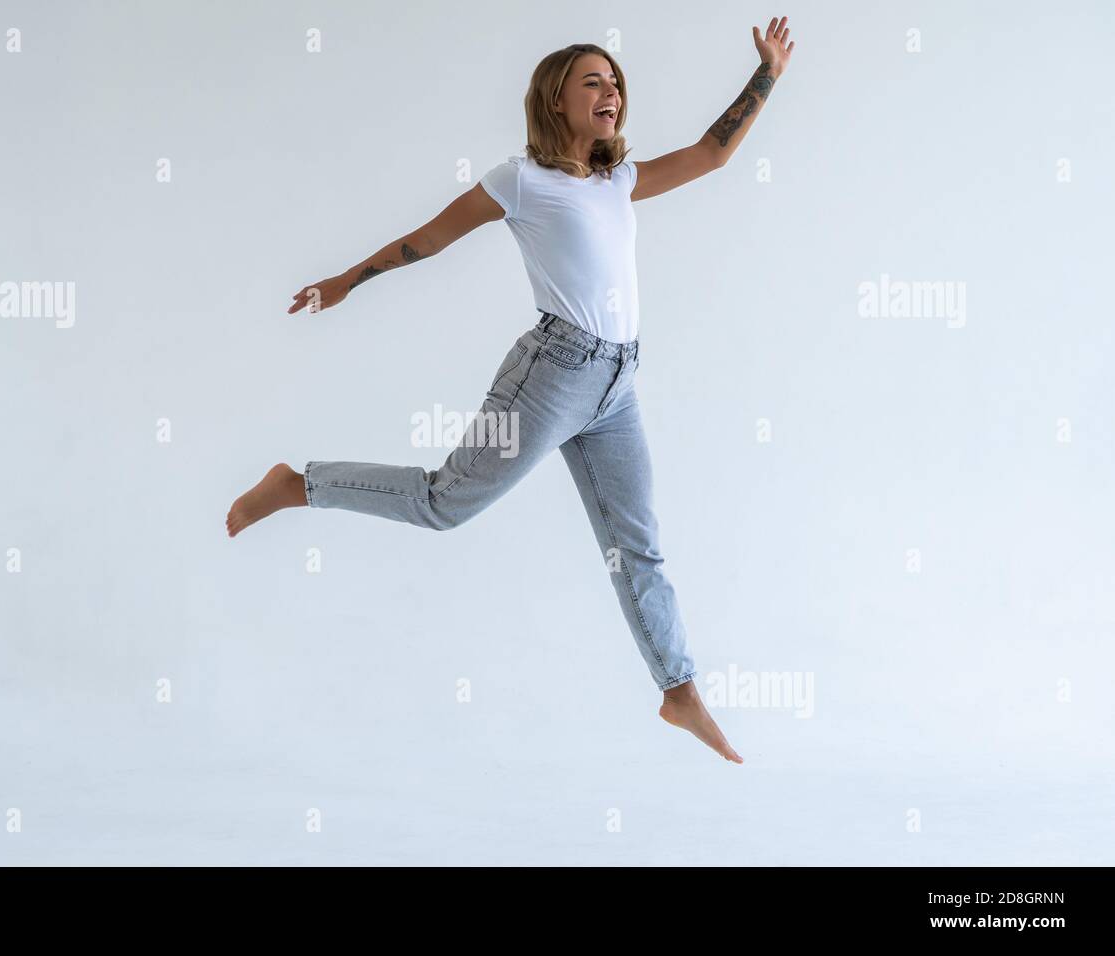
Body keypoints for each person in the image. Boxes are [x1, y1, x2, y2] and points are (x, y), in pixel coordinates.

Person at [228, 18, 796, 762]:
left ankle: (678, 689)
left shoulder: (620, 181)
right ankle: (298, 485)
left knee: (637, 545)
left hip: (618, 384)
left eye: (615, 80)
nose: (611, 90)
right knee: (443, 504)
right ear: (555, 100)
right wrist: (345, 280)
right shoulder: (520, 180)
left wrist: (768, 74)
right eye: (592, 80)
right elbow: (426, 240)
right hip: (551, 377)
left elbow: (714, 152)